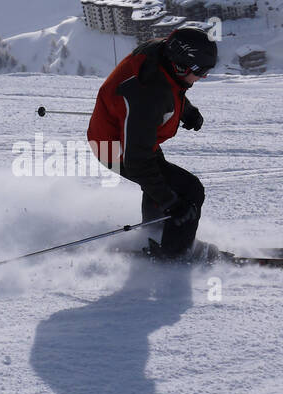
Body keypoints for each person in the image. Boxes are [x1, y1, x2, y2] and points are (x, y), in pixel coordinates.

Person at [87, 26, 218, 258]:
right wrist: (172, 204)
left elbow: (171, 86)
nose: (203, 77)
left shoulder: (163, 52)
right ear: (181, 65)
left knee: (161, 180)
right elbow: (137, 162)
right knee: (189, 191)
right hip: (113, 147)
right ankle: (174, 254)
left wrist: (186, 110)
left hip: (126, 135)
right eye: (201, 72)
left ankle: (157, 233)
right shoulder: (149, 95)